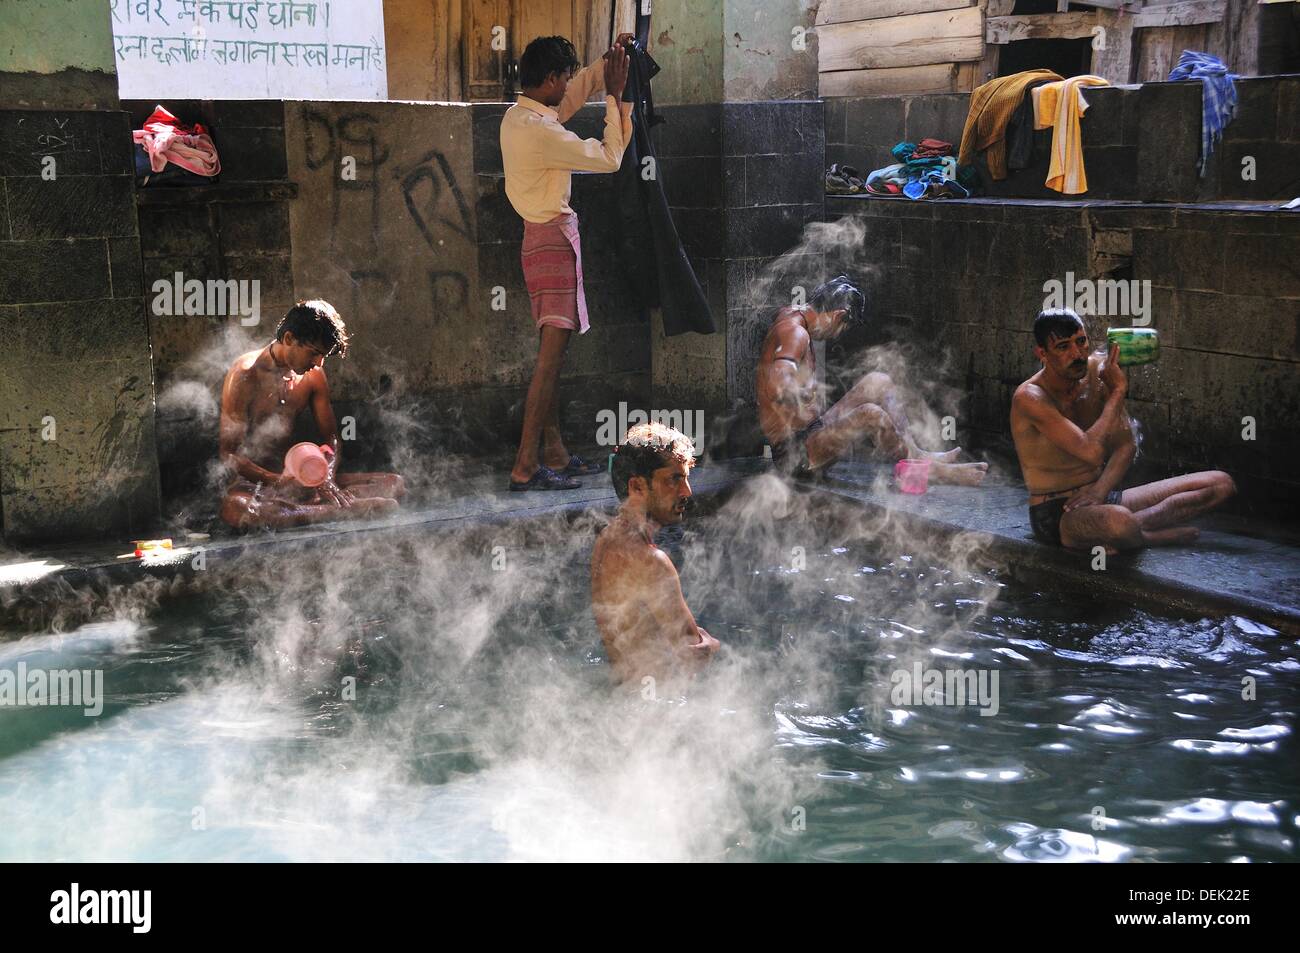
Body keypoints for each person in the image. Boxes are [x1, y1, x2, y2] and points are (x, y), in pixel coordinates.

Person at [501, 33, 634, 491]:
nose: (567, 86)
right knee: (549, 362)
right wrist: (616, 96)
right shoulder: (544, 133)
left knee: (551, 359)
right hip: (552, 243)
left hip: (537, 239)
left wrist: (606, 65)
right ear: (550, 79)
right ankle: (524, 466)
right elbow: (611, 158)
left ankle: (554, 451)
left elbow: (570, 97)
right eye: (565, 78)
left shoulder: (519, 117)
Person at [1010, 308, 1235, 552]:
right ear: (1042, 353)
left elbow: (1126, 444)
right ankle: (1146, 536)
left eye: (1081, 341)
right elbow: (1091, 452)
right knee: (1119, 522)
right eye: (1063, 347)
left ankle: (1132, 530)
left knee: (1220, 484)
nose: (1077, 354)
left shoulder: (1097, 373)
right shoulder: (1029, 397)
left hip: (1101, 496)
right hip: (1058, 513)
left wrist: (1099, 492)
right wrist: (1117, 392)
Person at [755, 276, 988, 483]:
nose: (838, 334)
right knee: (870, 414)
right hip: (796, 455)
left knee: (879, 381)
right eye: (843, 327)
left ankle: (915, 454)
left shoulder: (792, 314)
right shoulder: (796, 333)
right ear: (838, 315)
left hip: (813, 432)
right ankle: (932, 471)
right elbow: (779, 382)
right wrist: (804, 393)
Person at [218, 300, 405, 530]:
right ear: (289, 339)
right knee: (238, 509)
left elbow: (332, 438)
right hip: (256, 485)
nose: (318, 362)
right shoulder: (245, 375)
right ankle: (337, 510)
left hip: (305, 478)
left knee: (394, 482)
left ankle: (303, 509)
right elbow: (228, 454)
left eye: (323, 355)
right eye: (314, 353)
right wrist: (276, 481)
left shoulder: (314, 375)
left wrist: (326, 476)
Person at [591, 422, 719, 687]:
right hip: (658, 702)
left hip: (627, 694)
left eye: (686, 478)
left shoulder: (607, 540)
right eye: (674, 480)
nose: (687, 492)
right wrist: (713, 644)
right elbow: (695, 656)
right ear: (637, 487)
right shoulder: (652, 562)